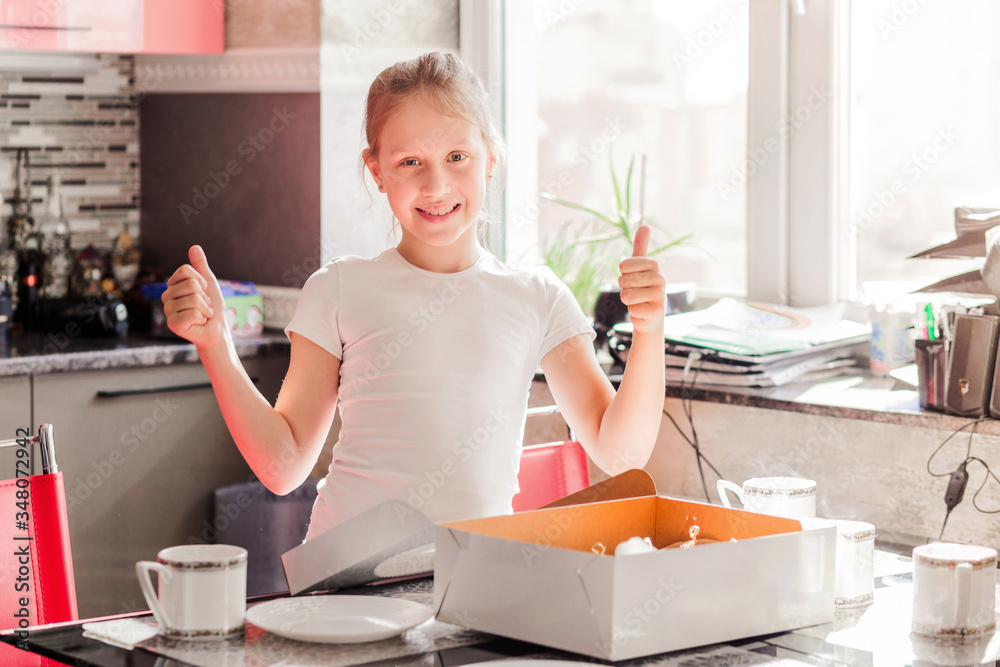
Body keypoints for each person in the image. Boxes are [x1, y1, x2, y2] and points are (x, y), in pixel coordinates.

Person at [161, 52, 665, 539]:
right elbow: (283, 468)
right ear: (377, 171)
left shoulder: (538, 298)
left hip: (471, 582)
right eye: (410, 162)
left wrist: (649, 330)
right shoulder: (338, 288)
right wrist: (217, 348)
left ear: (490, 158)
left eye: (457, 157)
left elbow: (620, 455)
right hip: (345, 587)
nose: (436, 184)